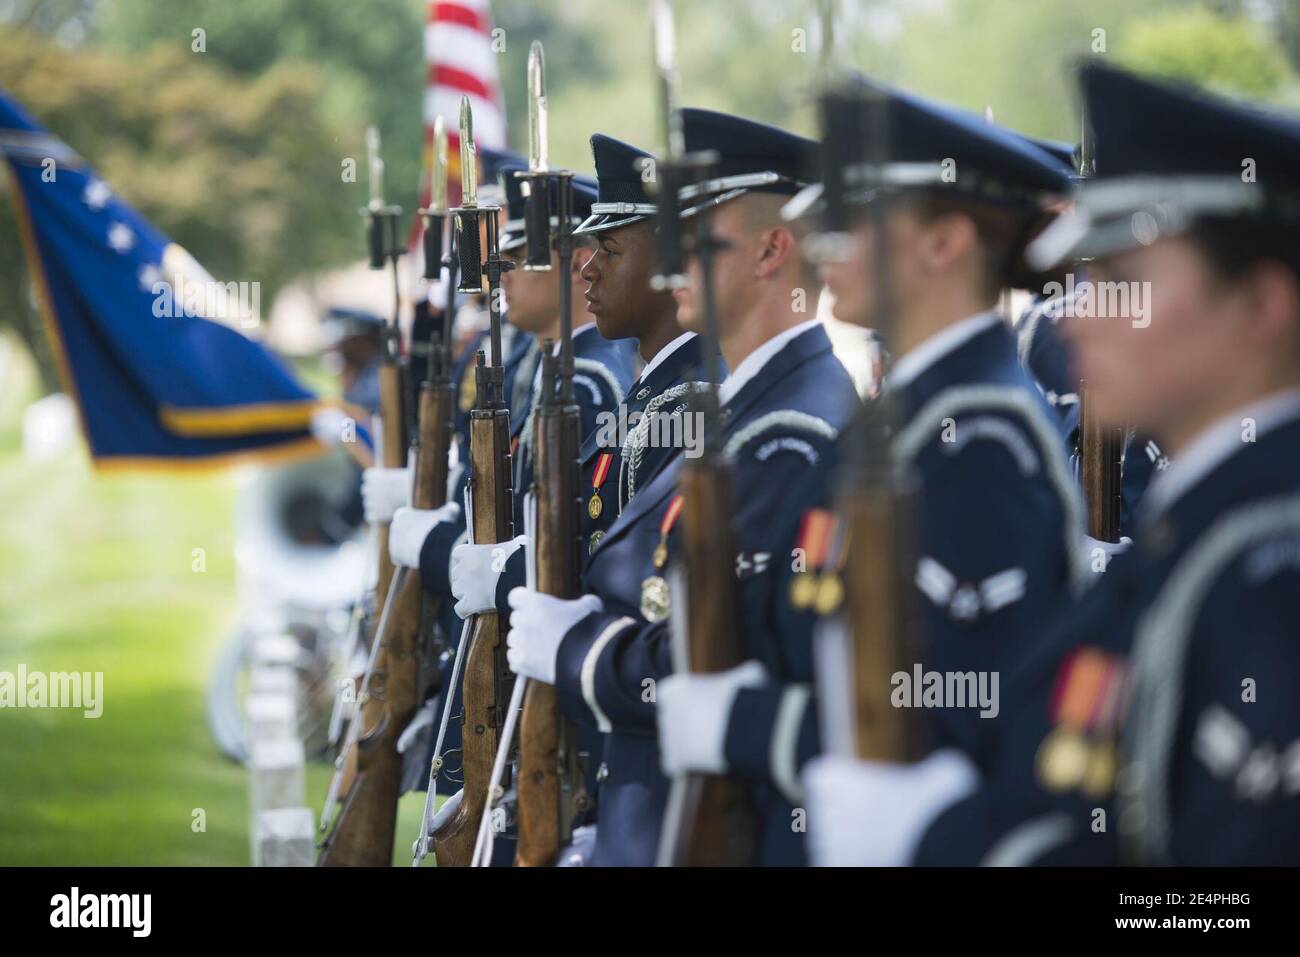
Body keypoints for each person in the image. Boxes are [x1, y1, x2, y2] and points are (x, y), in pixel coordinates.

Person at [804, 62, 1300, 867]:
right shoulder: (1204, 531)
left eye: (1124, 281)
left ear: (1262, 305)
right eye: (1086, 276)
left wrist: (947, 845)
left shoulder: (1273, 573)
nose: (1080, 316)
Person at [654, 78, 1085, 865]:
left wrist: (749, 724)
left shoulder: (981, 444)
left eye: (855, 220)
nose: (826, 242)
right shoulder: (901, 421)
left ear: (944, 242)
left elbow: (961, 704)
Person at [503, 108, 861, 865]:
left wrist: (575, 652)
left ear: (772, 249)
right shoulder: (756, 411)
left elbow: (712, 666)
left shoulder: (791, 430)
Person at [448, 131, 713, 618]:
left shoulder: (620, 387)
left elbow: (633, 570)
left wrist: (507, 577)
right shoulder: (649, 386)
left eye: (607, 251)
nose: (589, 269)